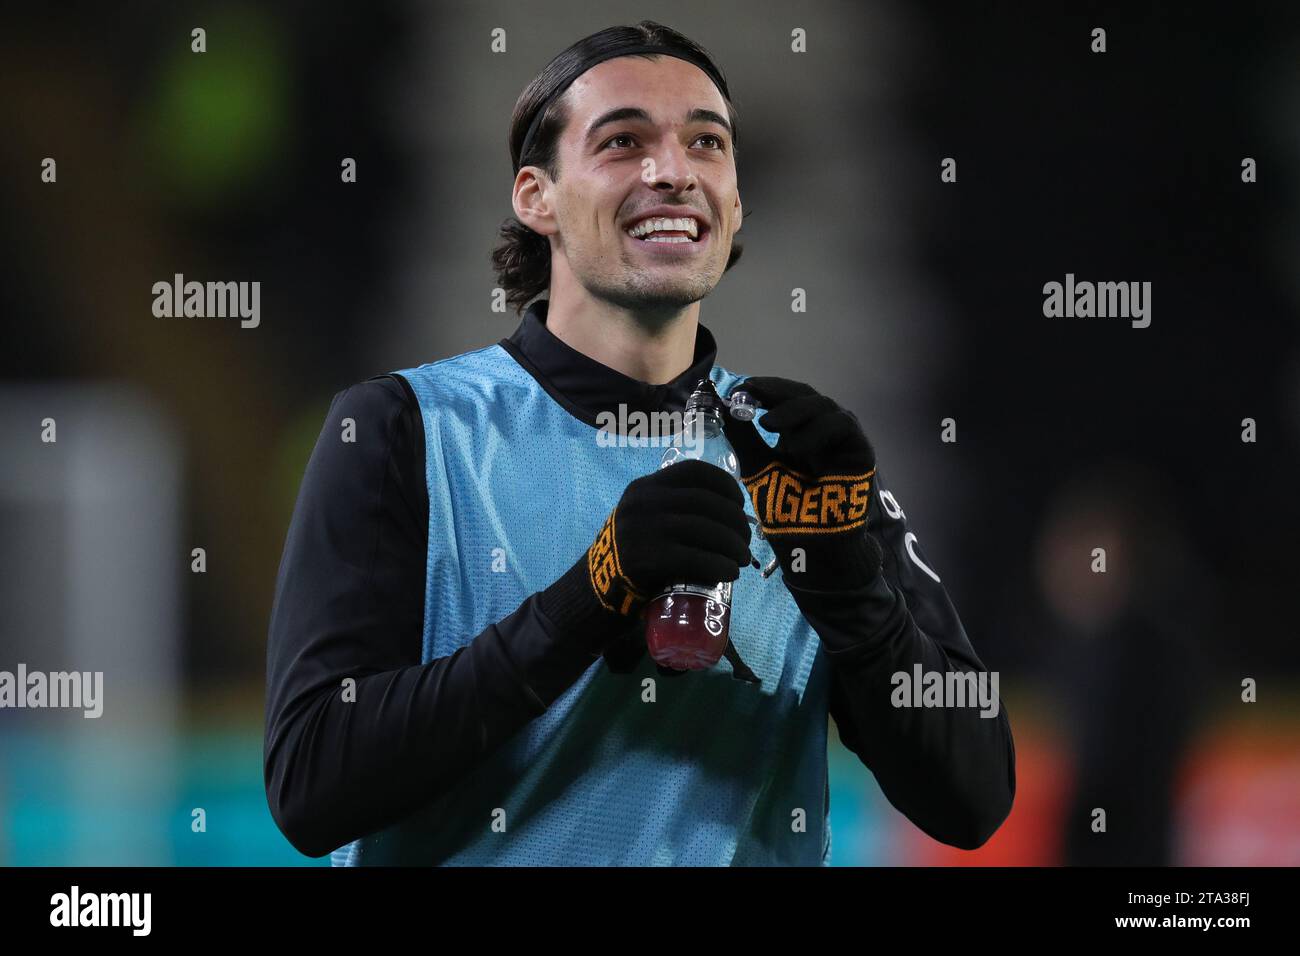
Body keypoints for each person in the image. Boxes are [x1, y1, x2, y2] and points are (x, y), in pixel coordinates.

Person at [264, 19, 1015, 865]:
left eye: (708, 143)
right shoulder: (404, 429)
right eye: (623, 142)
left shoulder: (799, 459)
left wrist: (849, 588)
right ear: (534, 197)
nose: (673, 171)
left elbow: (976, 800)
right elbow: (310, 783)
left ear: (735, 203)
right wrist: (594, 593)